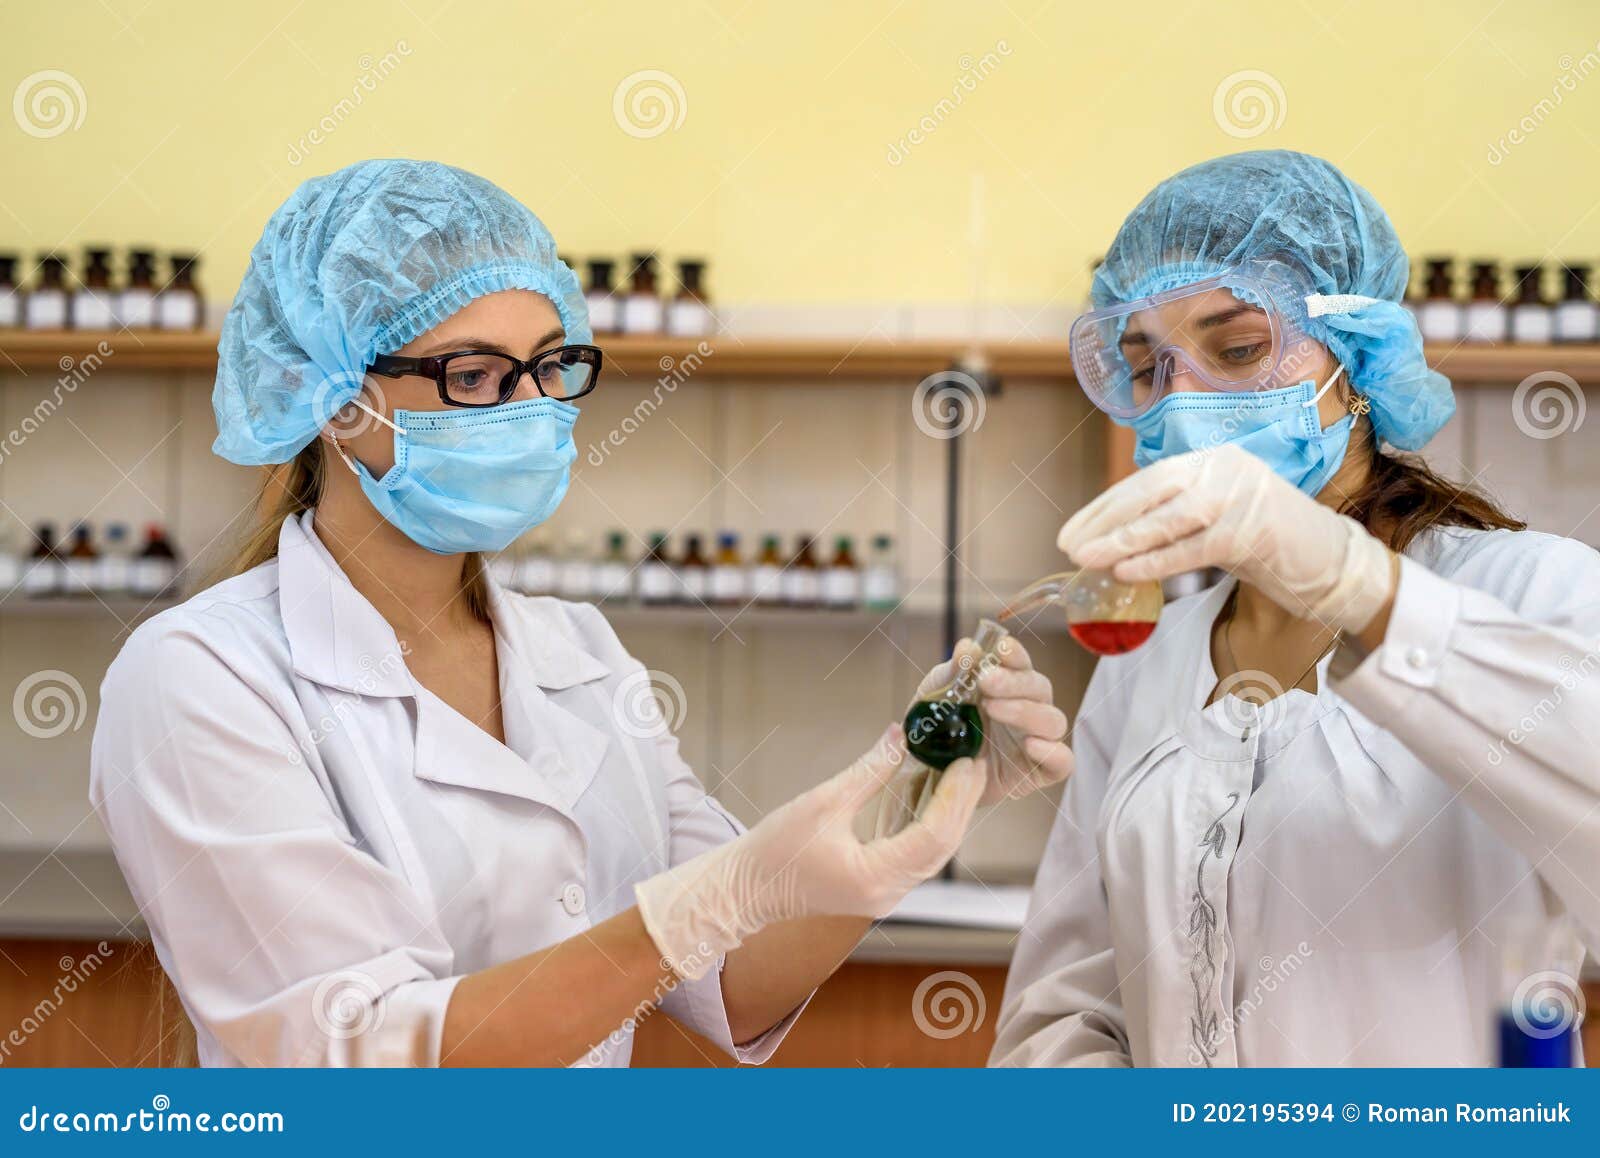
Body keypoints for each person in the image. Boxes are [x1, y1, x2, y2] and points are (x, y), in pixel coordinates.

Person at [88, 159, 1074, 1067]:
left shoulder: (577, 652)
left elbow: (729, 977)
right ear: (335, 399)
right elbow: (366, 1057)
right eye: (471, 378)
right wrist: (686, 915)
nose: (529, 409)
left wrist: (914, 799)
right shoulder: (201, 675)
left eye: (549, 368)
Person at [991, 150, 1600, 1067]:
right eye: (1147, 368)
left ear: (1357, 358)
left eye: (1237, 349)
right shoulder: (1147, 663)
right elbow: (1065, 1010)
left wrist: (1359, 588)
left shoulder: (1534, 592)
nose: (1182, 398)